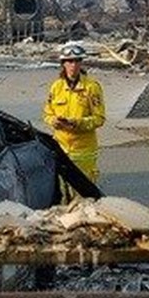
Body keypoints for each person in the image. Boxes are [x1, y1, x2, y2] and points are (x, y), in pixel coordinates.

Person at [43, 42, 106, 198]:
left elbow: (99, 118)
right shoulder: (56, 87)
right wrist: (53, 121)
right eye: (69, 61)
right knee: (63, 194)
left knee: (84, 196)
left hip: (84, 151)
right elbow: (47, 113)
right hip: (61, 149)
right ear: (63, 64)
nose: (73, 65)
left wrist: (78, 123)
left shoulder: (91, 87)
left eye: (77, 61)